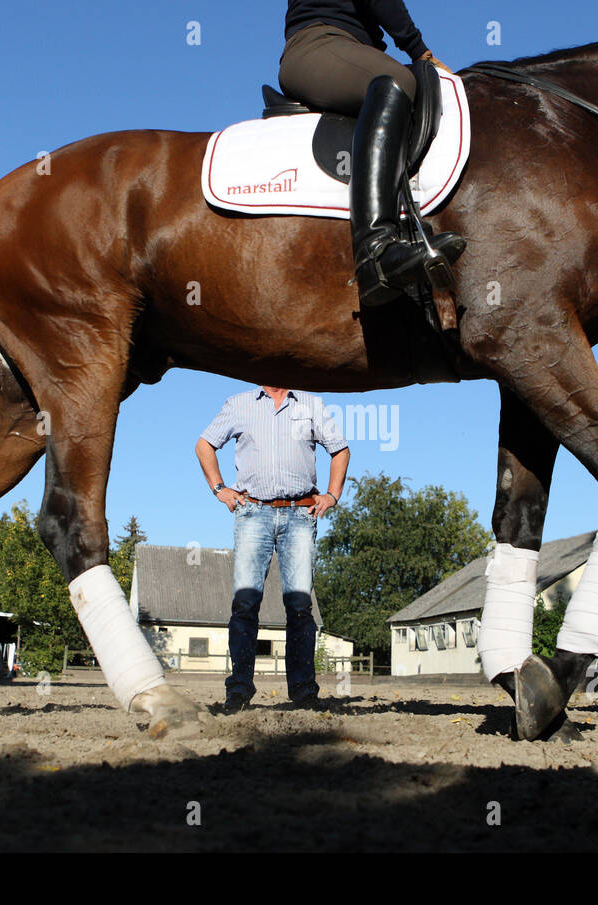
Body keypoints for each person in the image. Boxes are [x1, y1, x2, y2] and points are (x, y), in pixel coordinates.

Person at [277, 0, 465, 306]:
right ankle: (375, 251)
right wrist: (419, 49)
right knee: (397, 82)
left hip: (349, 48)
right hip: (319, 45)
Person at [196, 386, 350, 714]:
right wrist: (220, 489)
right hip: (253, 512)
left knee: (299, 605)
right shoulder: (238, 404)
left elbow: (340, 450)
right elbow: (204, 444)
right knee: (245, 603)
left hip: (300, 513)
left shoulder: (311, 403)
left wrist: (332, 495)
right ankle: (238, 691)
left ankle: (304, 692)